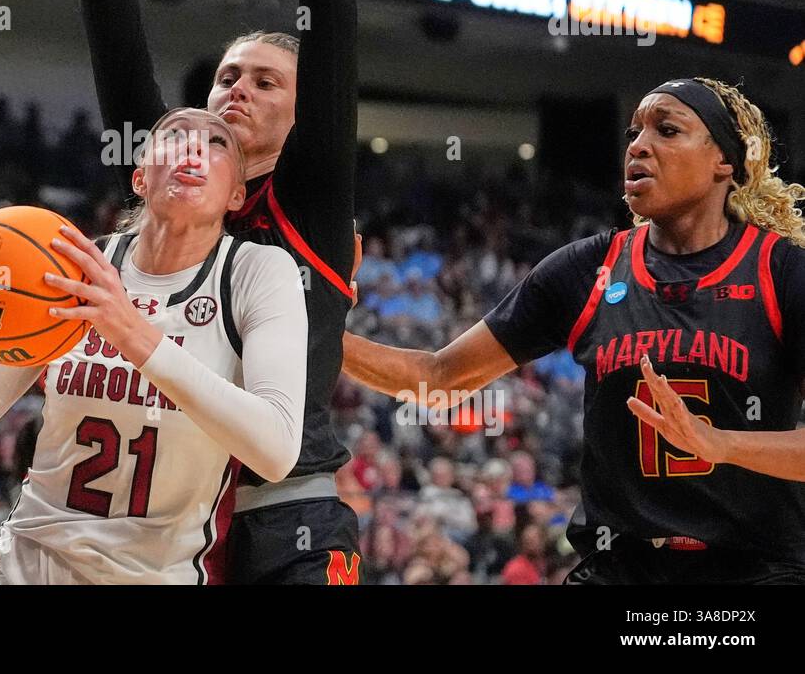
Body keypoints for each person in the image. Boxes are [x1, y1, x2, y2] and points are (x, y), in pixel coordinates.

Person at [65, 0, 360, 584]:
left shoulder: (308, 198)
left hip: (284, 509)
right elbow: (111, 22)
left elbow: (332, 14)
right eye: (228, 74)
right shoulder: (172, 176)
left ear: (307, 113)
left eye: (267, 80)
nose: (236, 88)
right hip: (156, 506)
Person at [342, 78, 805, 583]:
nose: (639, 146)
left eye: (667, 130)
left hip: (756, 569)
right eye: (633, 133)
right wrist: (319, 328)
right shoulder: (589, 269)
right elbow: (440, 376)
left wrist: (722, 445)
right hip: (620, 566)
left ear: (725, 162)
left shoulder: (780, 273)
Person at [0, 108, 308, 583]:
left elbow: (277, 450)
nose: (194, 148)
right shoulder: (76, 269)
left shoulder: (256, 272)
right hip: (22, 563)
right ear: (141, 178)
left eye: (216, 144)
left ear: (236, 194)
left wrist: (134, 334)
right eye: (176, 136)